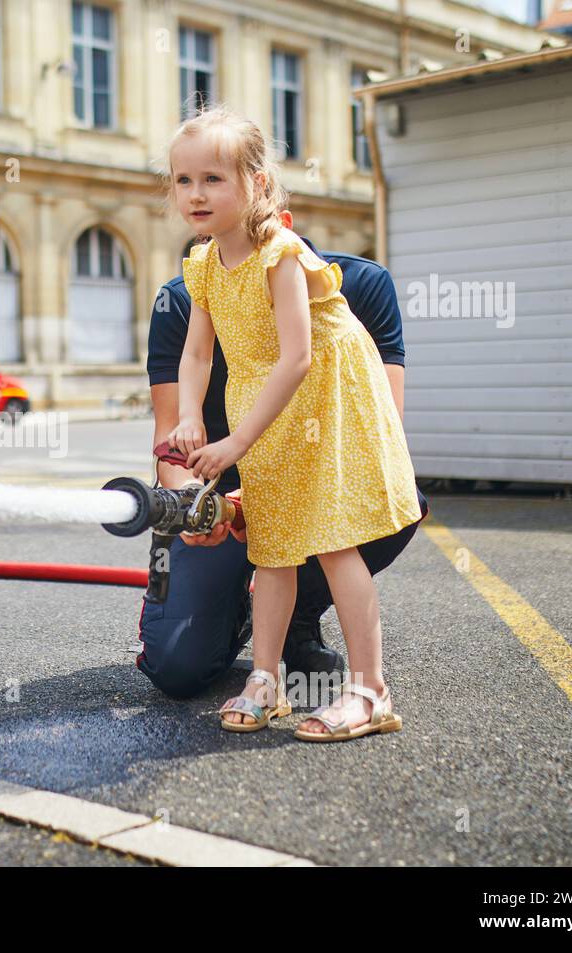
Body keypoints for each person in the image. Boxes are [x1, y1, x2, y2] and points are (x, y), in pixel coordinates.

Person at [163, 103, 424, 741]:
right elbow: (197, 352)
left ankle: (370, 692)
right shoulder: (201, 264)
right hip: (269, 398)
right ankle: (267, 679)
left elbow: (300, 356)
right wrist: (193, 418)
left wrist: (234, 443)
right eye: (182, 180)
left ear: (254, 182)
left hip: (325, 396)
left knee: (335, 542)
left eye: (213, 179)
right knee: (272, 547)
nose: (195, 193)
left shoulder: (280, 251)